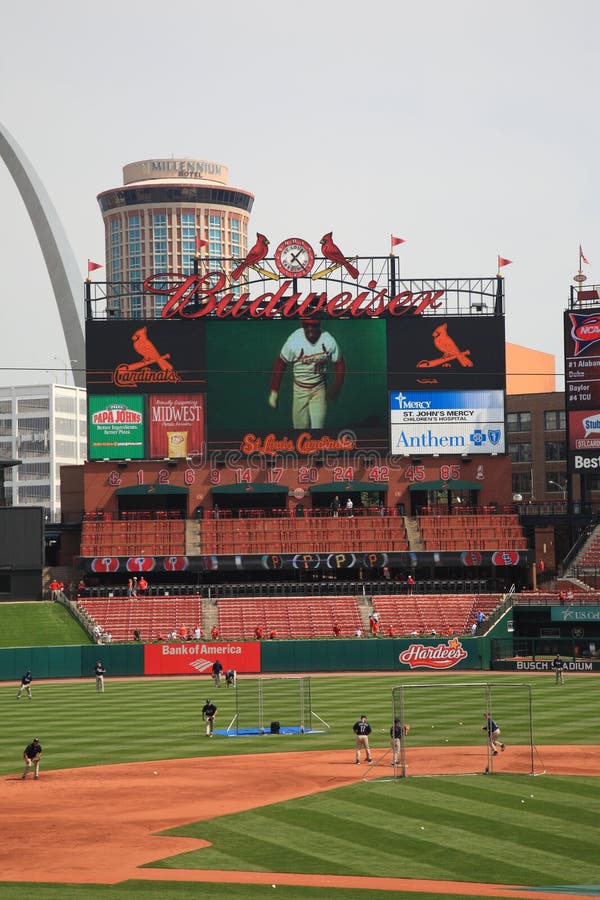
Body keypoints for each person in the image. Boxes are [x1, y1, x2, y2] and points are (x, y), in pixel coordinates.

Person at [268, 317, 345, 429]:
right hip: (300, 389)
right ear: (302, 324)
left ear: (319, 325)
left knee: (318, 428)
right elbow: (281, 363)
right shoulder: (294, 340)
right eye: (306, 325)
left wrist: (337, 386)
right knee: (300, 430)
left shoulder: (328, 339)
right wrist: (274, 391)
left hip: (319, 388)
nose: (310, 328)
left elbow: (339, 363)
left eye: (314, 325)